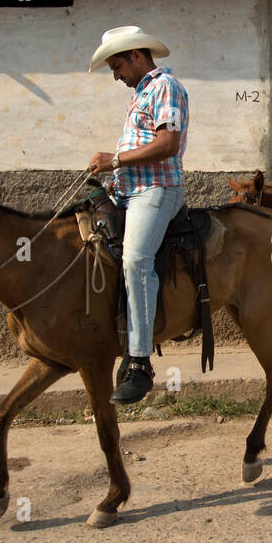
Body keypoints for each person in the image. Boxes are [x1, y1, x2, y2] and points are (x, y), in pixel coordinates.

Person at [87, 26, 188, 404]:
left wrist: (112, 160)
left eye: (116, 66)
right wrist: (112, 180)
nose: (115, 75)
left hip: (158, 191)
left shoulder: (166, 87)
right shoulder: (141, 94)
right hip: (131, 191)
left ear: (136, 55)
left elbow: (167, 144)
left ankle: (140, 361)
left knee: (135, 259)